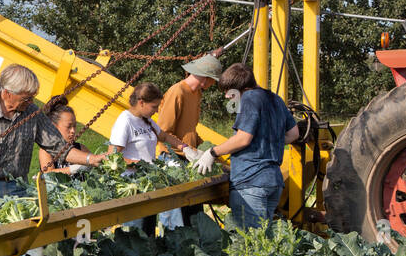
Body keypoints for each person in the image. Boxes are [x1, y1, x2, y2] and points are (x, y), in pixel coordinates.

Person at [0, 64, 95, 208]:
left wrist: (91, 159)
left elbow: (60, 147)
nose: (31, 102)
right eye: (26, 98)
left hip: (18, 189)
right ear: (7, 93)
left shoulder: (32, 113)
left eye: (33, 97)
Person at [192, 62, 299, 228]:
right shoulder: (275, 99)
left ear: (239, 88)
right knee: (263, 243)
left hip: (250, 181)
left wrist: (212, 153)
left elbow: (243, 139)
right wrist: (266, 141)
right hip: (273, 181)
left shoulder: (249, 98)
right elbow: (294, 134)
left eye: (229, 91)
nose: (227, 96)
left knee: (249, 244)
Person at [109, 82, 200, 231]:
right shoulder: (125, 121)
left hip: (148, 185)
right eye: (154, 107)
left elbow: (164, 136)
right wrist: (138, 164)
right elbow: (112, 157)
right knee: (136, 230)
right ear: (141, 102)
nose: (156, 111)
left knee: (148, 230)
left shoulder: (147, 121)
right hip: (133, 188)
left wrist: (185, 148)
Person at [158, 54, 221, 149]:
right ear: (205, 78)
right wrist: (185, 149)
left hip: (187, 153)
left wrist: (206, 148)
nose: (213, 83)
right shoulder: (177, 92)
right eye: (213, 80)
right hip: (173, 156)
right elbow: (163, 131)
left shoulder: (196, 94)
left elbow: (189, 131)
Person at [37, 96, 113, 174]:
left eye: (74, 126)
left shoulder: (80, 148)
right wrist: (74, 169)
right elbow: (48, 174)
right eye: (68, 127)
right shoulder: (46, 151)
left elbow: (95, 163)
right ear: (53, 127)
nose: (73, 131)